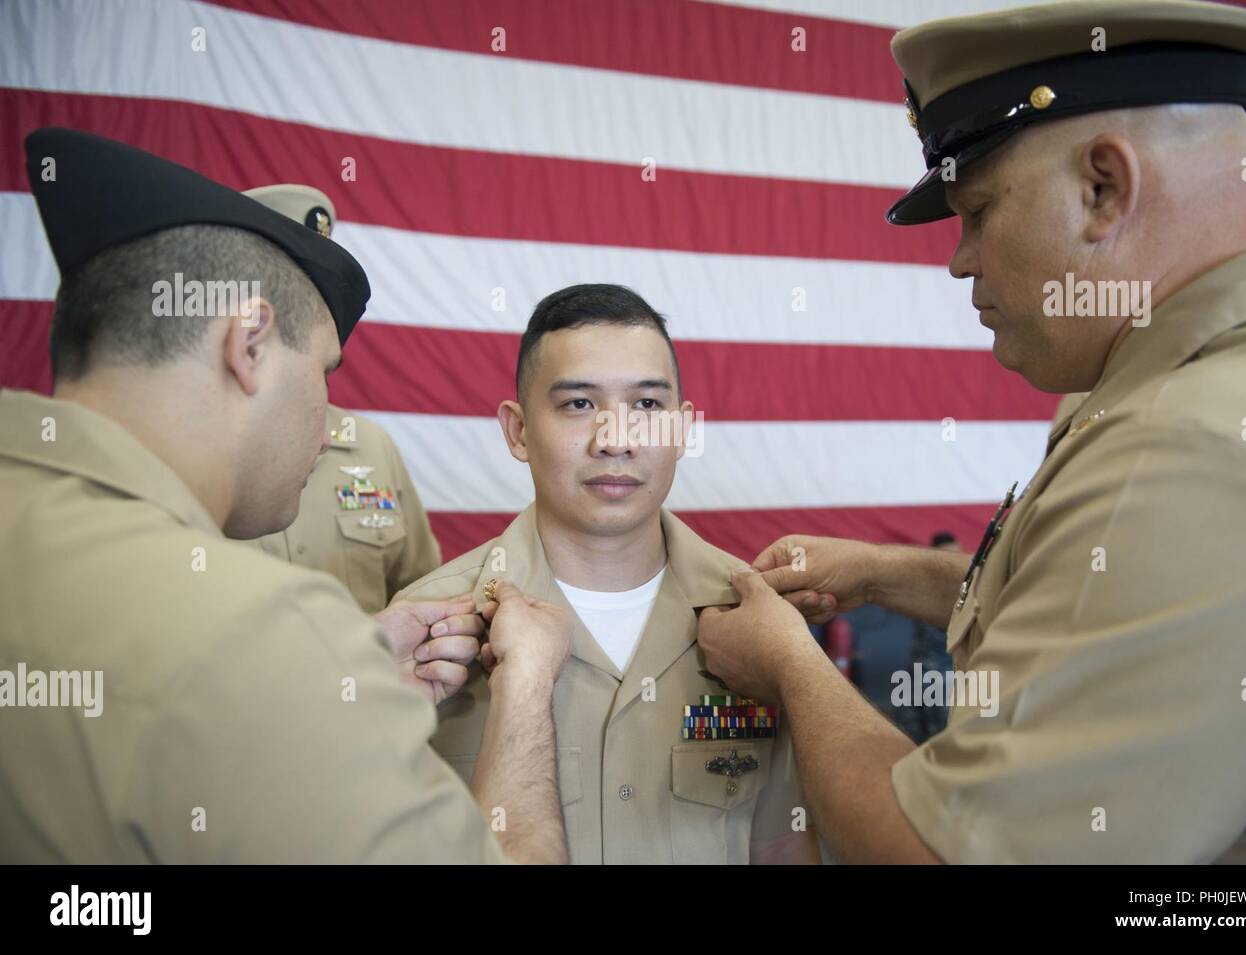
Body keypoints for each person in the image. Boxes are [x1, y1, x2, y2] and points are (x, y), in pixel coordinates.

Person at [697, 0, 1246, 863]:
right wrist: (888, 573)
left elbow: (940, 855)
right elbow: (1099, 606)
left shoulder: (1186, 449)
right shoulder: (1212, 377)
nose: (960, 258)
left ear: (1103, 186)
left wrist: (791, 672)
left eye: (977, 210)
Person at [0, 128, 570, 863]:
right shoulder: (269, 635)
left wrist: (337, 666)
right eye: (323, 369)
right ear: (249, 344)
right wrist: (526, 685)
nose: (326, 411)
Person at [394, 284, 820, 864]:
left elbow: (779, 845)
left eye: (647, 406)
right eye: (578, 405)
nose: (616, 440)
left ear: (684, 429)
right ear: (518, 432)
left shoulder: (761, 621)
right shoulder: (424, 634)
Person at [245, 184, 442, 613]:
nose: (311, 314)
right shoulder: (188, 452)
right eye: (285, 296)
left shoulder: (371, 446)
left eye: (322, 297)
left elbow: (423, 595)